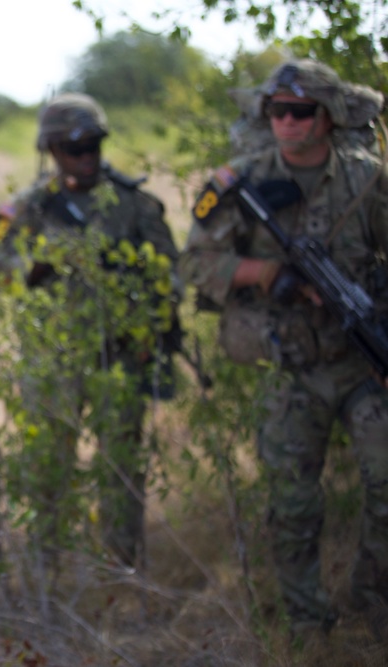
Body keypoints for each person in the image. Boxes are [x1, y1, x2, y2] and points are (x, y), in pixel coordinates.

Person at [178, 58, 388, 639]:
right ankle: (306, 622)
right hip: (291, 365)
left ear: (328, 118)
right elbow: (195, 262)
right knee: (293, 503)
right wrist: (268, 274)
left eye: (300, 112)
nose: (287, 122)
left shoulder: (367, 180)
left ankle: (374, 605)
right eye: (277, 111)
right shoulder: (237, 181)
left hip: (360, 362)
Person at [0, 92, 181, 568]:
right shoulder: (27, 207)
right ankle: (46, 564)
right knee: (47, 464)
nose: (86, 157)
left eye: (92, 145)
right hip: (55, 355)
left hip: (121, 353)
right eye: (74, 149)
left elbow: (173, 274)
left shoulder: (135, 205)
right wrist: (35, 267)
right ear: (51, 151)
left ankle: (122, 567)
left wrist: (146, 315)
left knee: (122, 467)